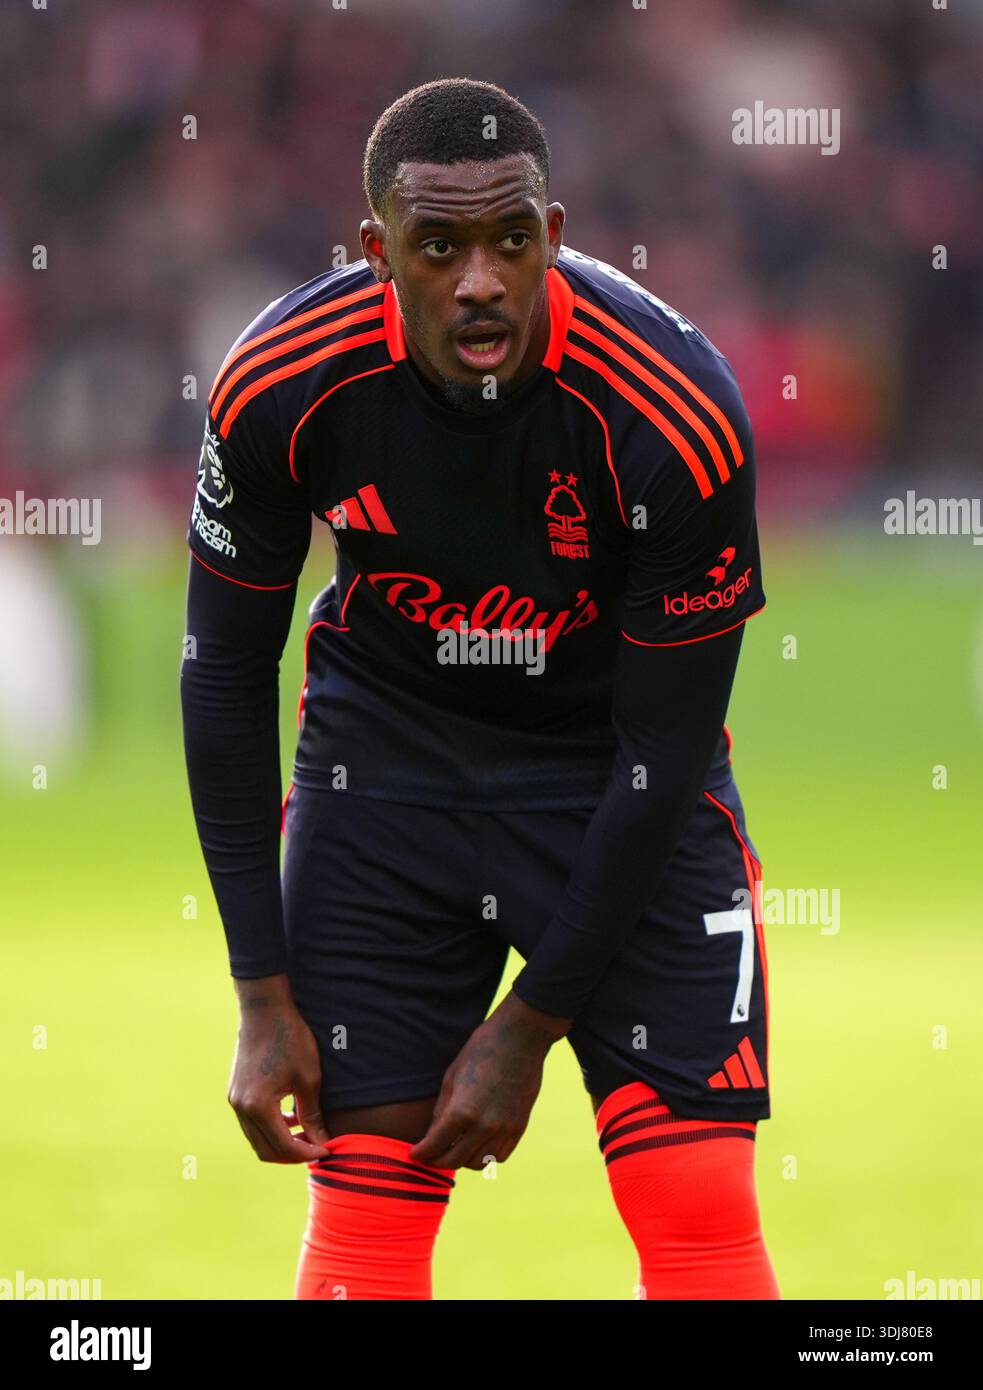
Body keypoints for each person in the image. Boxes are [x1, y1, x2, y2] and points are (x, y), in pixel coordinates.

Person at [180, 76, 779, 1301]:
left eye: (512, 241)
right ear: (376, 252)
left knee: (695, 1202)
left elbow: (666, 750)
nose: (479, 280)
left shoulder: (674, 408)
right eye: (437, 246)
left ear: (552, 237)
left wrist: (530, 1024)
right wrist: (258, 990)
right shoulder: (281, 381)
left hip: (614, 788)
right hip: (382, 786)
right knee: (365, 1208)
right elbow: (224, 675)